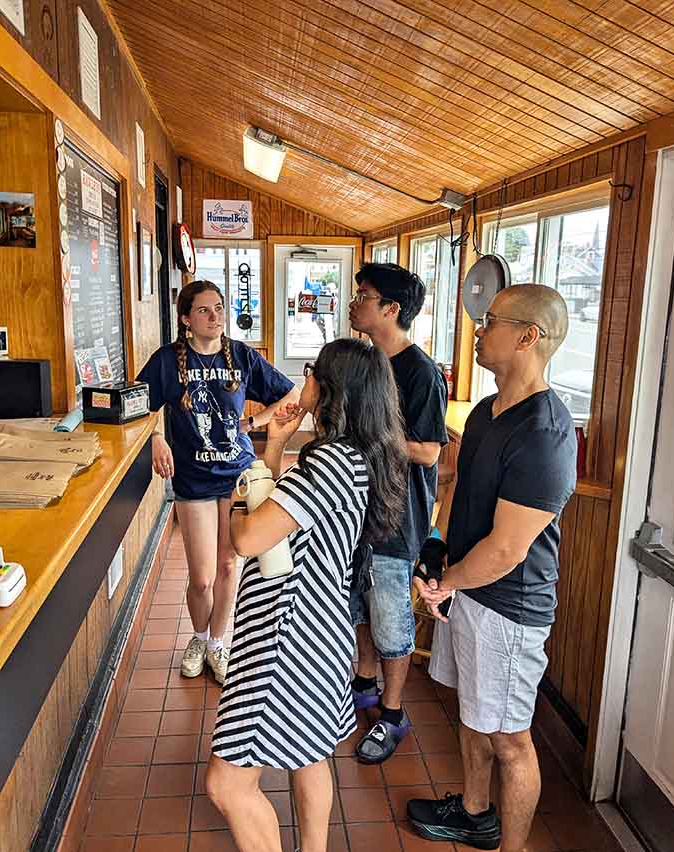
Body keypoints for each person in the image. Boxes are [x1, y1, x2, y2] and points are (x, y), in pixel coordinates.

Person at [205, 338, 408, 852]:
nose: (306, 380)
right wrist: (274, 445)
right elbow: (281, 512)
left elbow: (249, 537)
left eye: (314, 372)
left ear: (333, 389)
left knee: (226, 783)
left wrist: (235, 503)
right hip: (321, 631)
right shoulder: (358, 456)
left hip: (287, 639)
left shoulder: (330, 464)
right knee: (309, 754)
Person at [408, 284, 577, 852]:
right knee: (474, 715)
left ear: (528, 336)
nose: (478, 329)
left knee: (510, 738)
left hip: (509, 607)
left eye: (491, 320)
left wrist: (445, 585)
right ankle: (476, 812)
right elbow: (459, 488)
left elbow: (507, 549)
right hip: (468, 591)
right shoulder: (485, 410)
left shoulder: (545, 434)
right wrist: (436, 550)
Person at [137, 280, 298, 685]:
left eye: (219, 308)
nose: (215, 316)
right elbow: (137, 405)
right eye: (205, 310)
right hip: (192, 479)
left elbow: (289, 393)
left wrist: (254, 422)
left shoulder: (241, 356)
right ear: (186, 319)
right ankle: (197, 636)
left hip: (237, 475)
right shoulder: (167, 361)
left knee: (230, 565)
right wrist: (157, 435)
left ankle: (217, 643)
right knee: (202, 576)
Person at [348, 262, 449, 763]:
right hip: (357, 515)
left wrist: (374, 436)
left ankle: (392, 715)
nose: (354, 301)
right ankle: (364, 685)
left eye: (363, 295)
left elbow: (430, 452)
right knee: (362, 611)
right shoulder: (366, 363)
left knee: (391, 625)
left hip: (396, 520)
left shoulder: (421, 373)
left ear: (391, 309)